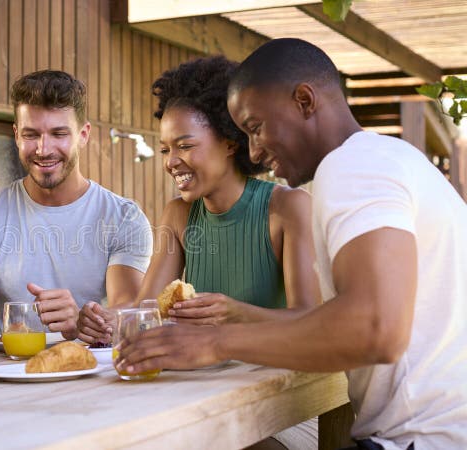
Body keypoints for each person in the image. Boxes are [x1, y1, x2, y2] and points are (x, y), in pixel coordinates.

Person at [117, 38, 467, 450]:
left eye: (256, 128)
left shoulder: (353, 167)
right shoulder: (388, 158)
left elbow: (377, 330)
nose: (254, 150)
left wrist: (215, 340)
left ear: (304, 101)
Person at [77, 56, 321, 450]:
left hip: (284, 403)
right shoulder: (178, 215)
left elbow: (308, 322)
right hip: (202, 395)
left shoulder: (287, 208)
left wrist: (234, 314)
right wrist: (100, 318)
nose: (172, 162)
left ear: (229, 141)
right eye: (165, 149)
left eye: (185, 146)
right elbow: (145, 310)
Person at [0, 70, 152, 339]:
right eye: (31, 135)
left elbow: (128, 314)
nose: (43, 149)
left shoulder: (123, 217)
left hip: (93, 374)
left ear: (83, 135)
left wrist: (80, 321)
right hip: (10, 373)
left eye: (58, 133)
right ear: (16, 135)